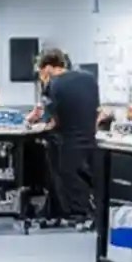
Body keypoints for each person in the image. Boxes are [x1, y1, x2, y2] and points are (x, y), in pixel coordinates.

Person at [36, 48, 99, 224]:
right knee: (85, 179)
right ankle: (81, 213)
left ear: (47, 67)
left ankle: (75, 215)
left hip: (66, 143)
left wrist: (44, 89)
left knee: (62, 175)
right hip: (89, 140)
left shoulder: (54, 84)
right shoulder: (89, 79)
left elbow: (52, 122)